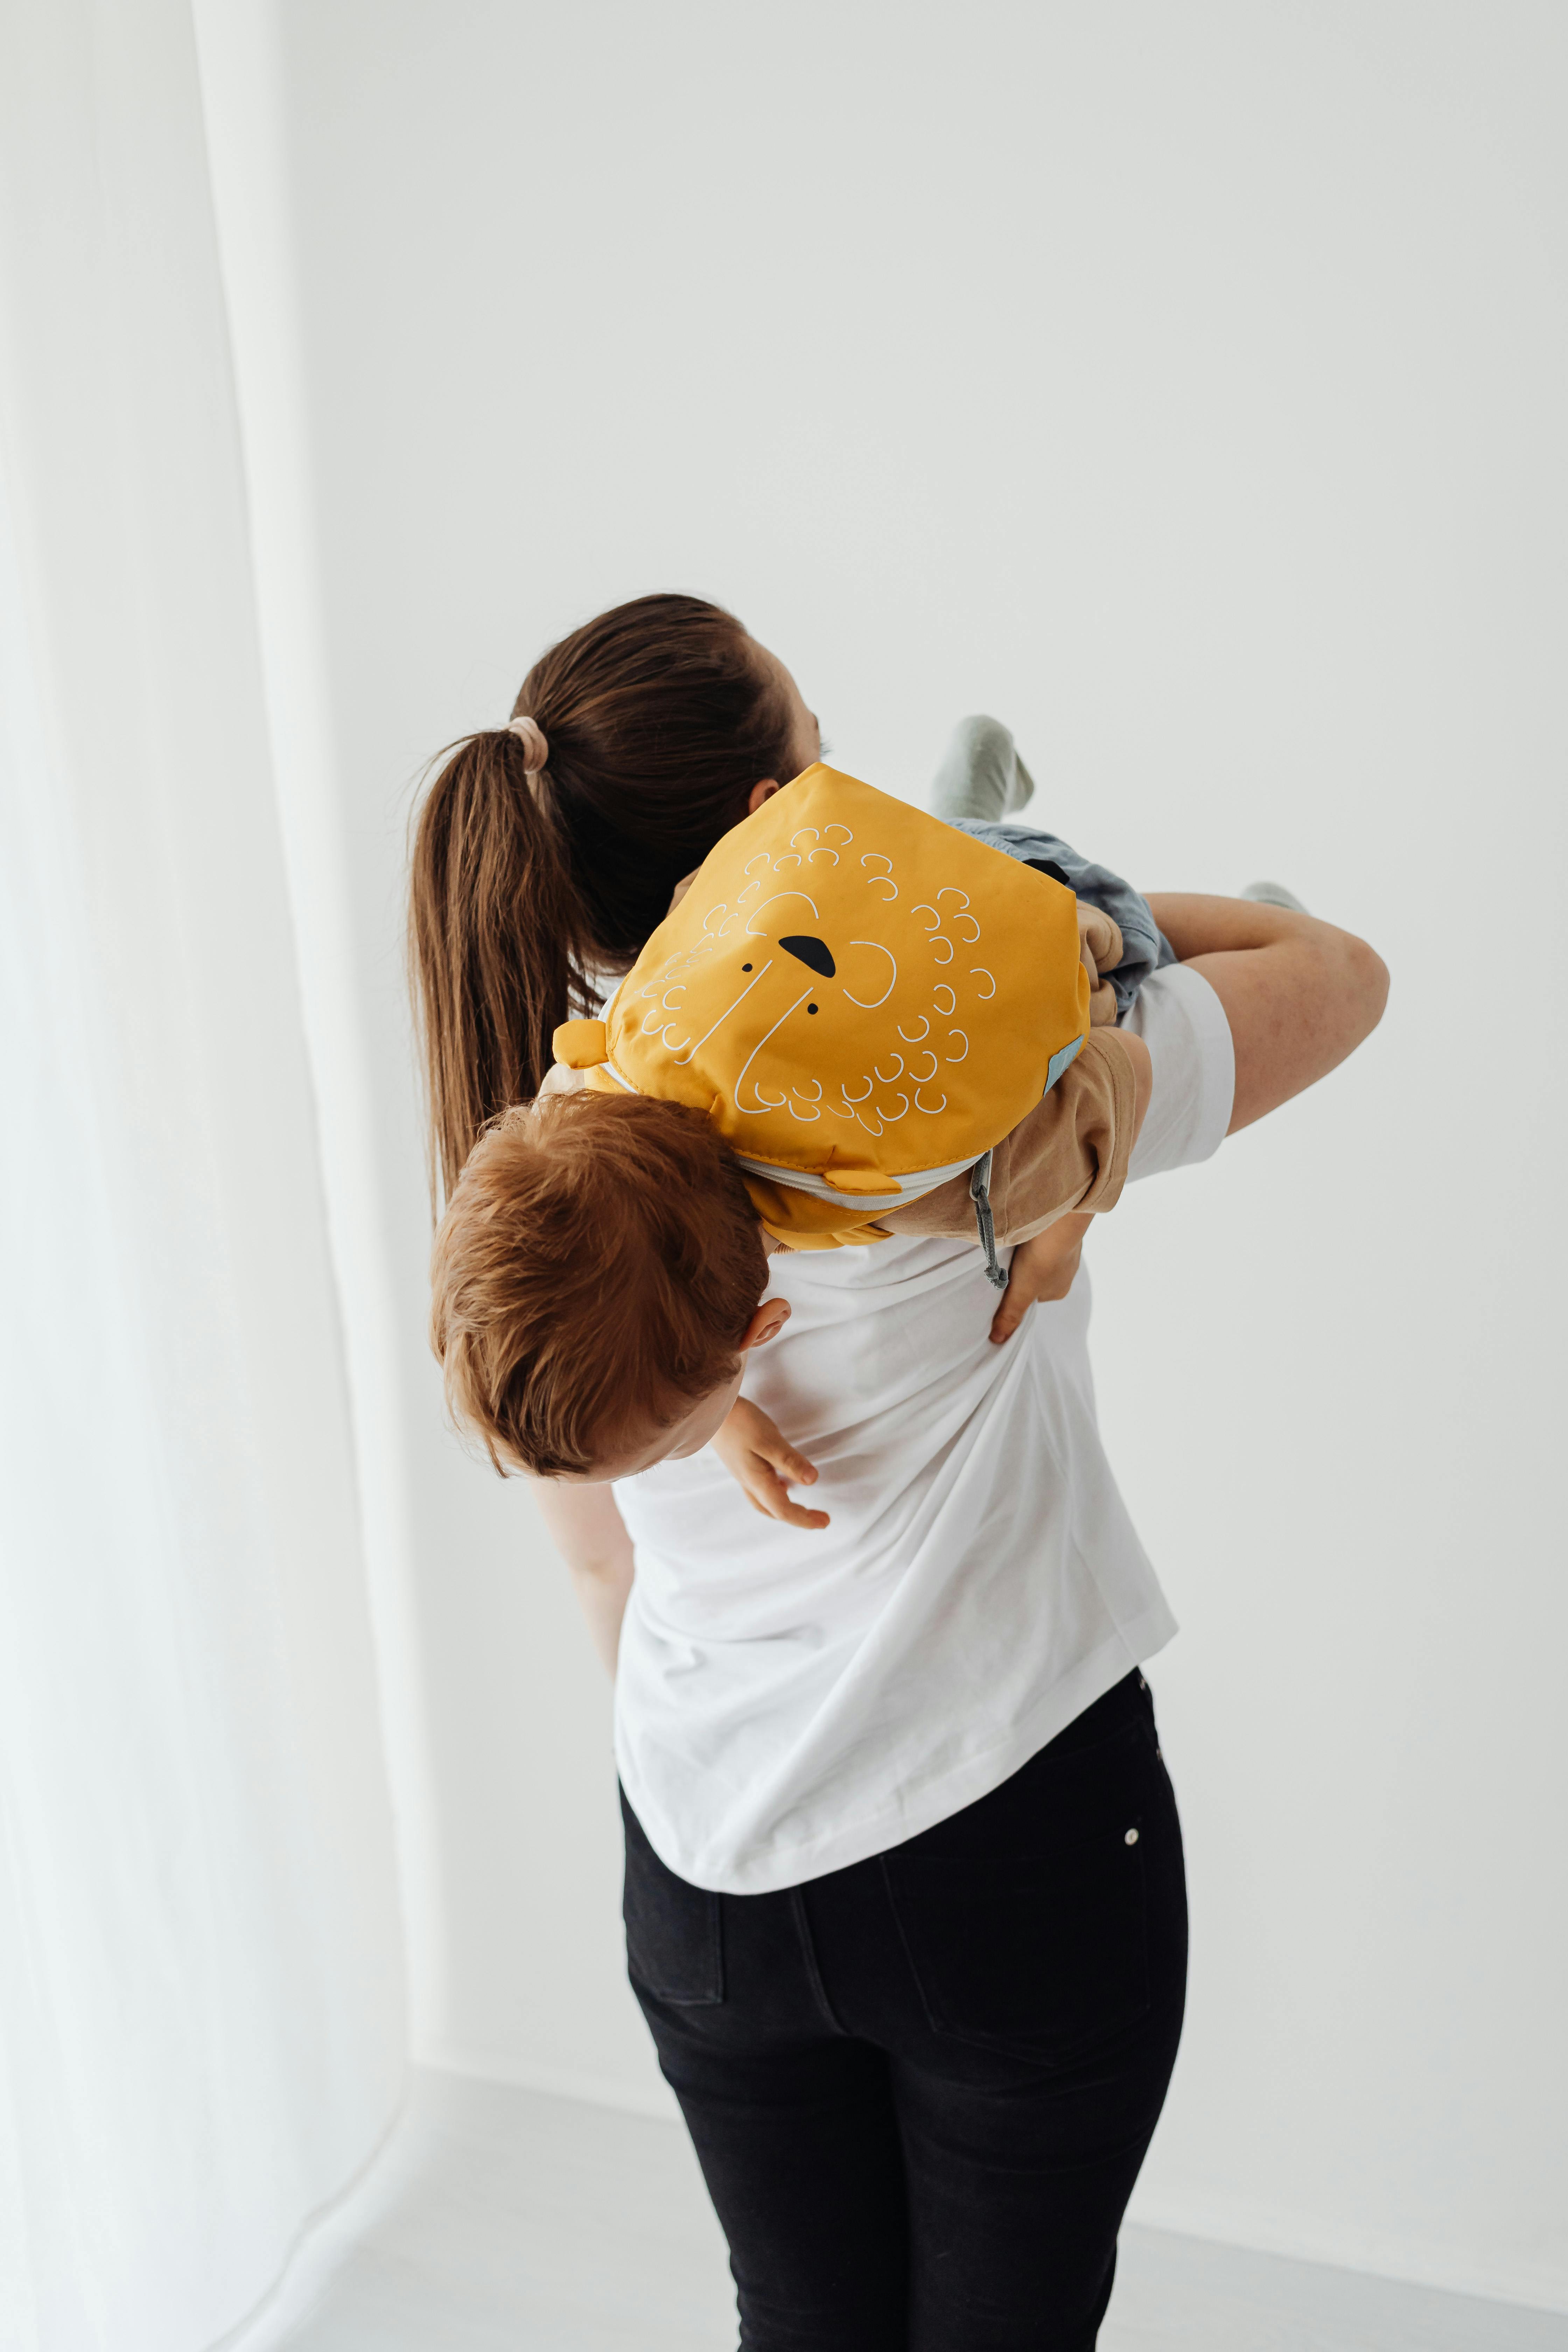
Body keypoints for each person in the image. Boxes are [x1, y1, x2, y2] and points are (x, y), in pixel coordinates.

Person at [407, 593, 1388, 2348]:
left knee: (801, 2323)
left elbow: (596, 1570)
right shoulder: (985, 1119)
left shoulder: (532, 1198)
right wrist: (1074, 941)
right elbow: (1340, 979)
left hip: (702, 1858)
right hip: (1005, 1843)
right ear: (792, 820)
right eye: (815, 741)